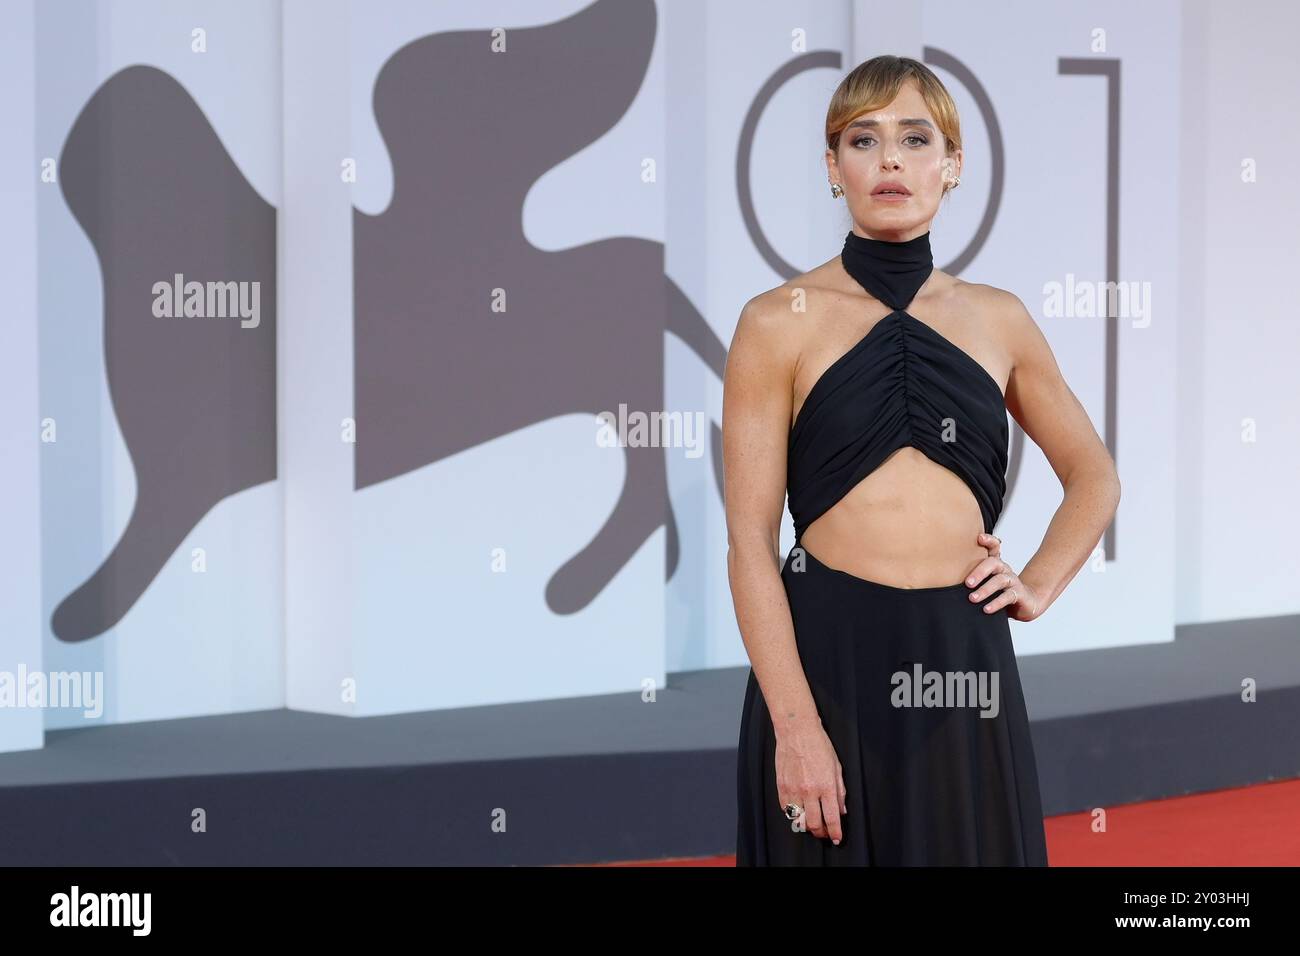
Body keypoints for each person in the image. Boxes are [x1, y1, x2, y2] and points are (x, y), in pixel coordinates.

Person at [726, 55, 1121, 865]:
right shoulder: (776, 322)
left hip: (961, 658)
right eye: (863, 141)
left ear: (953, 164)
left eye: (915, 137)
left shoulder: (998, 320)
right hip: (825, 656)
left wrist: (1039, 580)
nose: (891, 159)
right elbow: (748, 544)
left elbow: (1095, 474)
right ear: (834, 169)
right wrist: (795, 728)